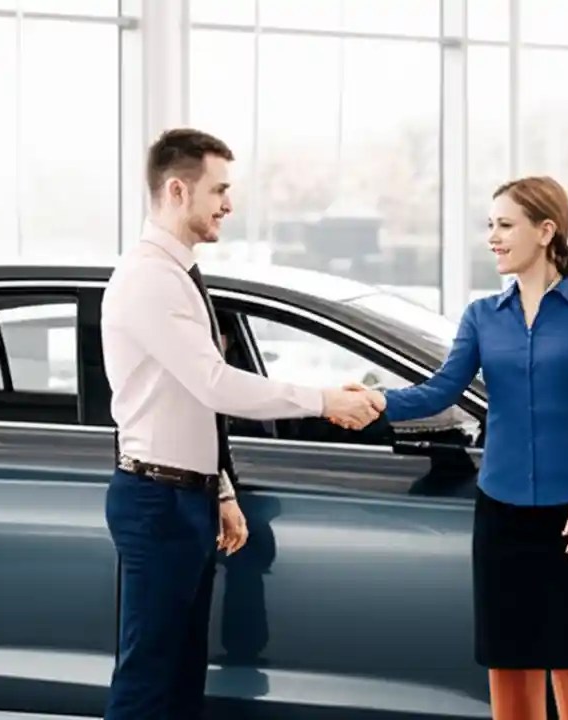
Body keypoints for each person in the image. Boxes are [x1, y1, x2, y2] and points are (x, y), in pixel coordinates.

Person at [99, 127, 382, 718]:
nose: (229, 204)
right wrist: (324, 400)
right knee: (149, 678)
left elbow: (190, 399)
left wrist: (219, 487)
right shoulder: (150, 277)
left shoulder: (177, 273)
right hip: (157, 499)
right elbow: (215, 383)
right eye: (219, 190)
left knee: (178, 678)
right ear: (178, 190)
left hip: (184, 496)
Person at [352, 176, 568, 720]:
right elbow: (441, 390)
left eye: (505, 225)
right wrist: (374, 402)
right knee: (510, 672)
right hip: (501, 516)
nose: (493, 238)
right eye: (490, 226)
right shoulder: (482, 316)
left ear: (546, 231)